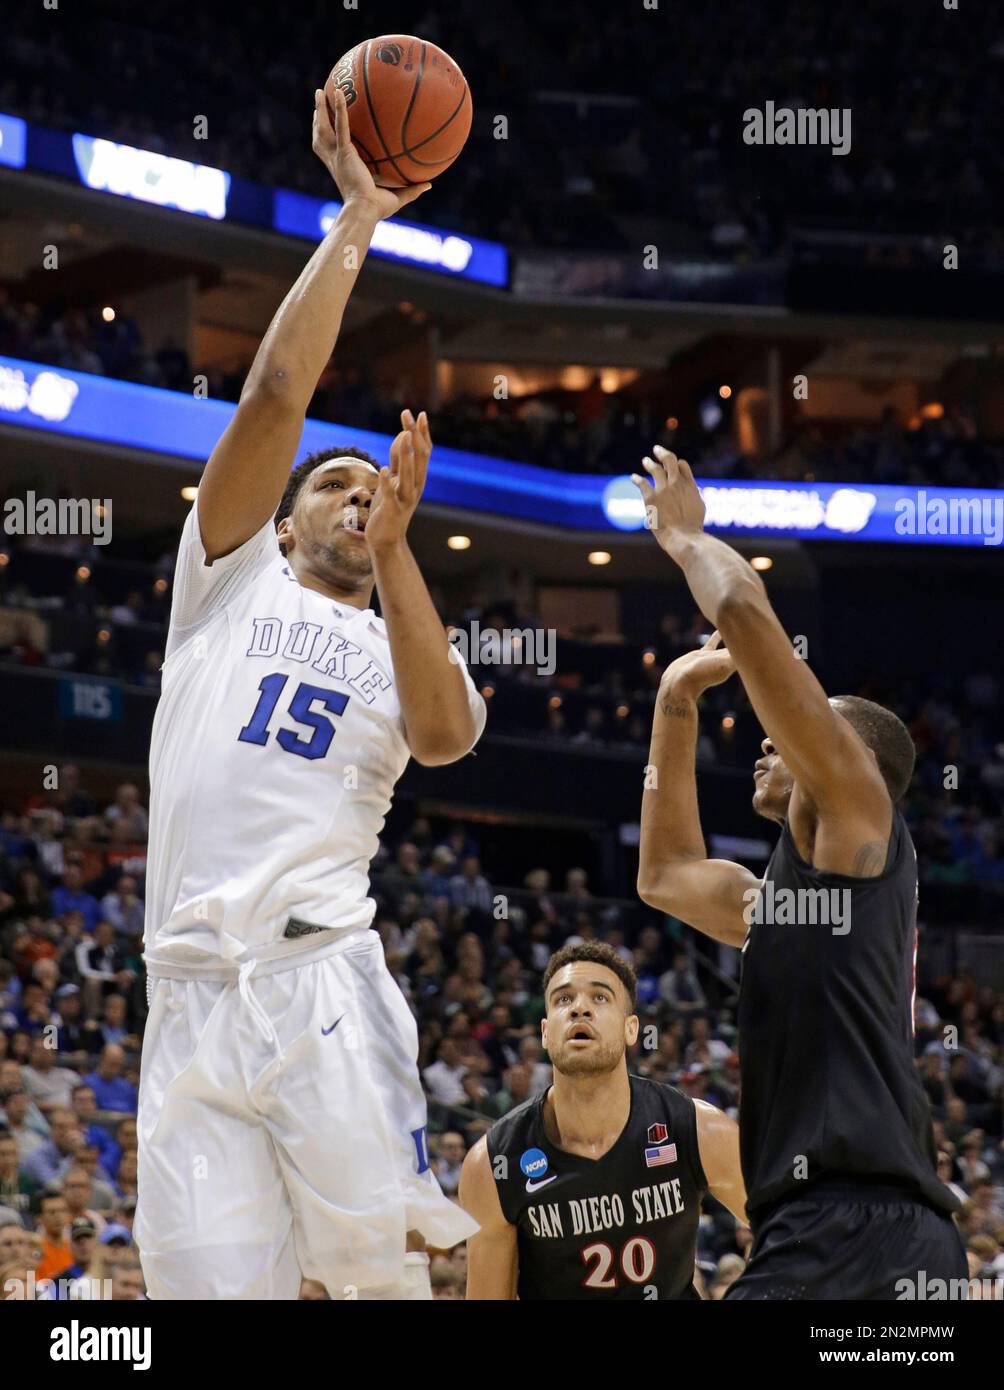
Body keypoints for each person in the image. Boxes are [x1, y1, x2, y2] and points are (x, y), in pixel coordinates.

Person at [135, 86, 484, 1302]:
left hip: (318, 980)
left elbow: (442, 741)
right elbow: (276, 395)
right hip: (181, 992)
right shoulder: (225, 585)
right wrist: (358, 218)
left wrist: (398, 553)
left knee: (377, 1286)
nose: (350, 495)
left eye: (365, 486)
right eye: (329, 488)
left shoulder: (408, 643)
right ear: (277, 522)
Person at [634, 445, 966, 1299]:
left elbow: (742, 604)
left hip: (861, 1227)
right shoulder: (792, 902)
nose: (768, 740)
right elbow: (665, 876)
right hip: (831, 1232)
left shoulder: (862, 818)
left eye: (792, 735)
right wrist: (676, 699)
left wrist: (684, 537)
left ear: (844, 755)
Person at [460, 942, 746, 1299]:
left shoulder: (699, 1129)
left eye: (600, 998)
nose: (579, 1008)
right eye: (564, 1000)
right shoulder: (493, 1165)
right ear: (546, 1033)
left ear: (631, 1029)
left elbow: (787, 1230)